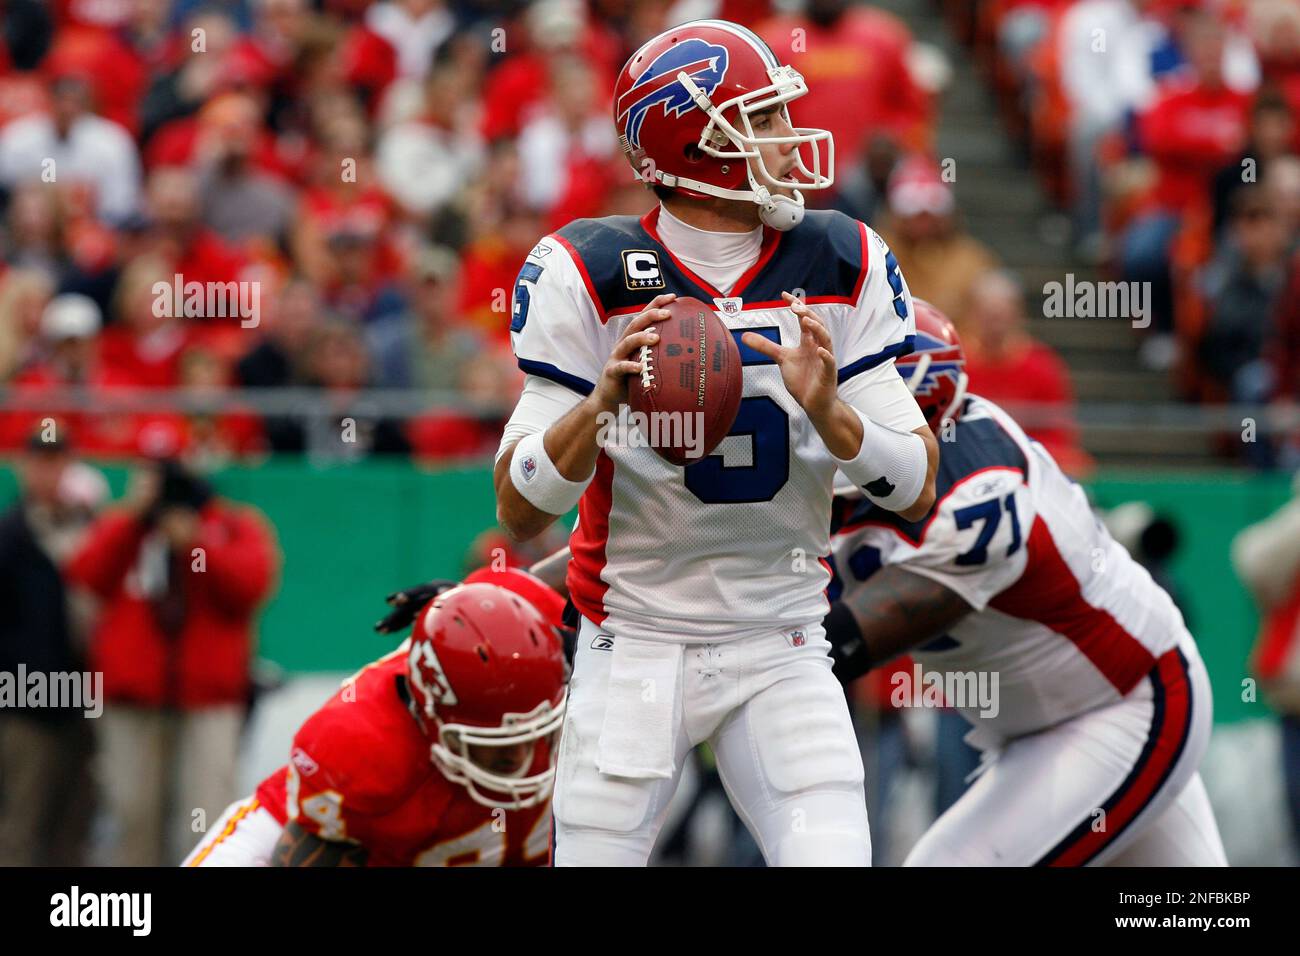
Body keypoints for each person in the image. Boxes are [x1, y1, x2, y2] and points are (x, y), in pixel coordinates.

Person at [494, 19, 939, 867]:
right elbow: (519, 507)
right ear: (696, 145)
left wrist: (832, 412)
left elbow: (914, 484)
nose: (787, 137)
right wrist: (597, 409)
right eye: (763, 118)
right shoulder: (589, 266)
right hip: (634, 639)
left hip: (785, 640)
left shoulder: (838, 257)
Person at [822, 301, 1226, 865]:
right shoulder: (875, 477)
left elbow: (840, 642)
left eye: (841, 389)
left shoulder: (980, 493)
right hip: (1035, 725)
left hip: (1124, 705)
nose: (816, 407)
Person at [183, 574, 568, 867]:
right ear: (433, 721)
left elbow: (594, 552)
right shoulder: (363, 749)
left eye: (536, 732)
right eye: (494, 742)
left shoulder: (533, 624)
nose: (522, 756)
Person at [66, 455, 279, 865]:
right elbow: (87, 574)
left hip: (208, 699)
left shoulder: (232, 525)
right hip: (134, 699)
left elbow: (249, 586)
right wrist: (135, 520)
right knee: (132, 817)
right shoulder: (125, 526)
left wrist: (195, 544)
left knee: (203, 819)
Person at [0, 430, 105, 865]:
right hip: (26, 698)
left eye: (58, 461)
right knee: (23, 817)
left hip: (83, 692)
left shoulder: (91, 529)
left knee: (77, 820)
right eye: (41, 462)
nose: (49, 472)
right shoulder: (10, 536)